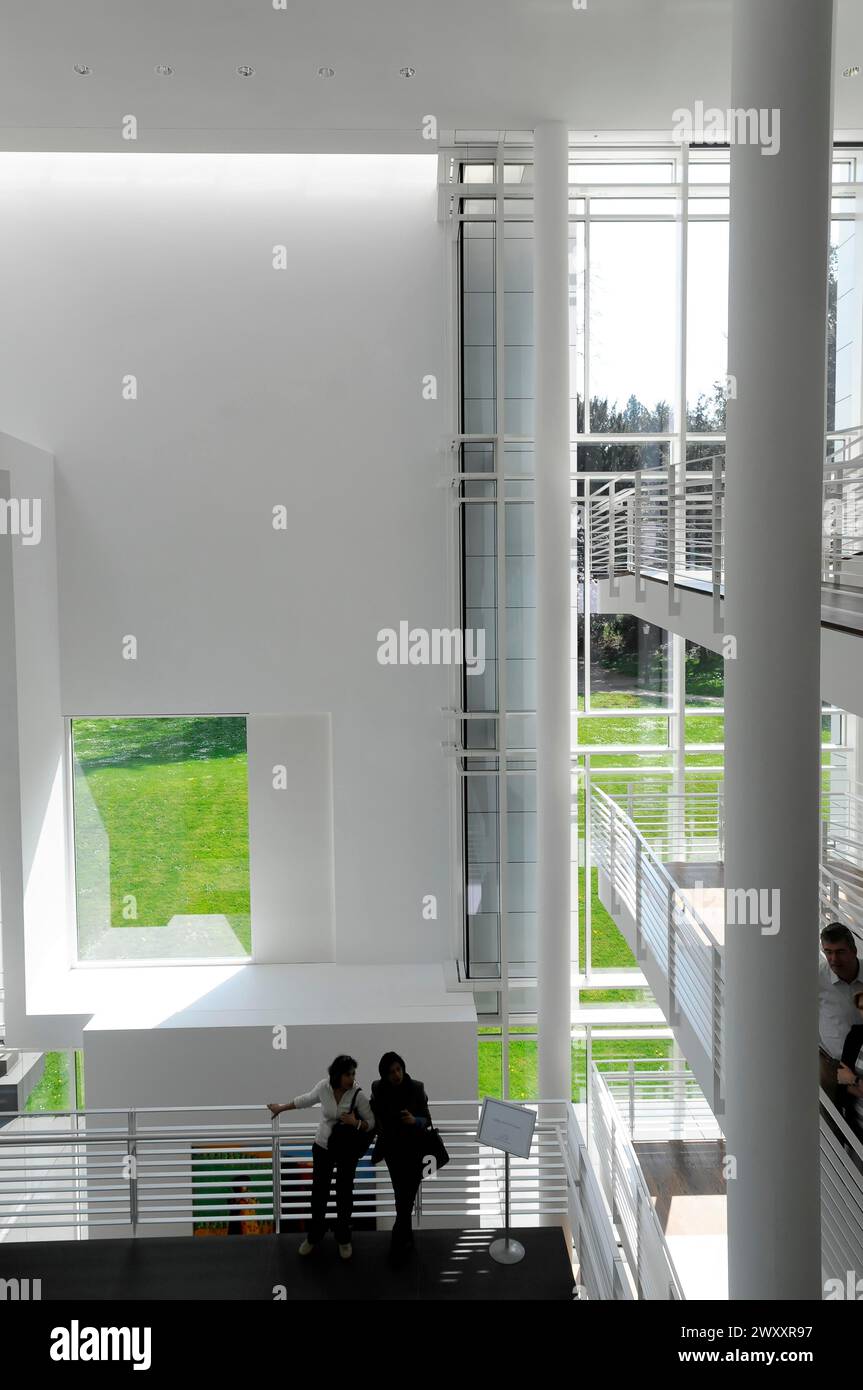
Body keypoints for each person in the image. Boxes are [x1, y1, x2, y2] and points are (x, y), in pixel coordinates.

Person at [267, 1054, 374, 1261]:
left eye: (353, 1073)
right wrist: (281, 1108)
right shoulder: (324, 1087)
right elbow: (306, 1099)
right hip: (323, 1146)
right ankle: (314, 1237)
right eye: (347, 1074)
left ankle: (343, 1239)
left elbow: (371, 1122)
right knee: (319, 1194)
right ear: (336, 1074)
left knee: (344, 1193)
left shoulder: (358, 1095)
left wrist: (356, 1123)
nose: (351, 1078)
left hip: (346, 1150)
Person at [370, 1051, 432, 1261]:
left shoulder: (416, 1087)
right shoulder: (378, 1088)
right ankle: (405, 1238)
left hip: (415, 1149)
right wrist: (377, 1126)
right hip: (393, 1150)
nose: (396, 1074)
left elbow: (427, 1120)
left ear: (403, 1068)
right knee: (400, 1195)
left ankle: (399, 1240)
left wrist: (414, 1120)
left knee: (406, 1197)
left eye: (398, 1069)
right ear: (384, 1075)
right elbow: (374, 1111)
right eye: (391, 1072)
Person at [819, 923, 863, 1126]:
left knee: (855, 1125)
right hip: (831, 1064)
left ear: (854, 950)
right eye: (828, 952)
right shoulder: (817, 977)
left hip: (861, 1063)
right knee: (831, 1126)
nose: (833, 959)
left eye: (840, 952)